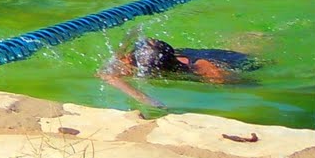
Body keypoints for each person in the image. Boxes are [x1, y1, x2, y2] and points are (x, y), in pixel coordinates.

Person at [100, 37, 257, 109]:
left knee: (246, 49)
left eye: (127, 59)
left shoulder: (203, 68)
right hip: (183, 55)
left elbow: (244, 83)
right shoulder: (150, 63)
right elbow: (106, 74)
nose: (123, 61)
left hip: (232, 59)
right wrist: (143, 98)